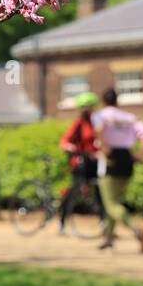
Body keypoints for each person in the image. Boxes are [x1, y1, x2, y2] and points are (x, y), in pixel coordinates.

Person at [91, 88, 143, 253]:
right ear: (117, 101)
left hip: (111, 159)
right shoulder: (128, 117)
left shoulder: (100, 115)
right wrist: (140, 153)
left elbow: (99, 130)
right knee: (114, 200)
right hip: (127, 158)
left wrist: (104, 148)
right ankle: (108, 238)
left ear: (103, 100)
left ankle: (136, 229)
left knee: (110, 204)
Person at [57, 91, 100, 234]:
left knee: (100, 192)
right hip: (80, 163)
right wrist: (70, 147)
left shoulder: (97, 123)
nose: (88, 109)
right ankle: (62, 222)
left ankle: (104, 225)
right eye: (85, 106)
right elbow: (64, 141)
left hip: (95, 161)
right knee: (73, 192)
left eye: (90, 106)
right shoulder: (78, 124)